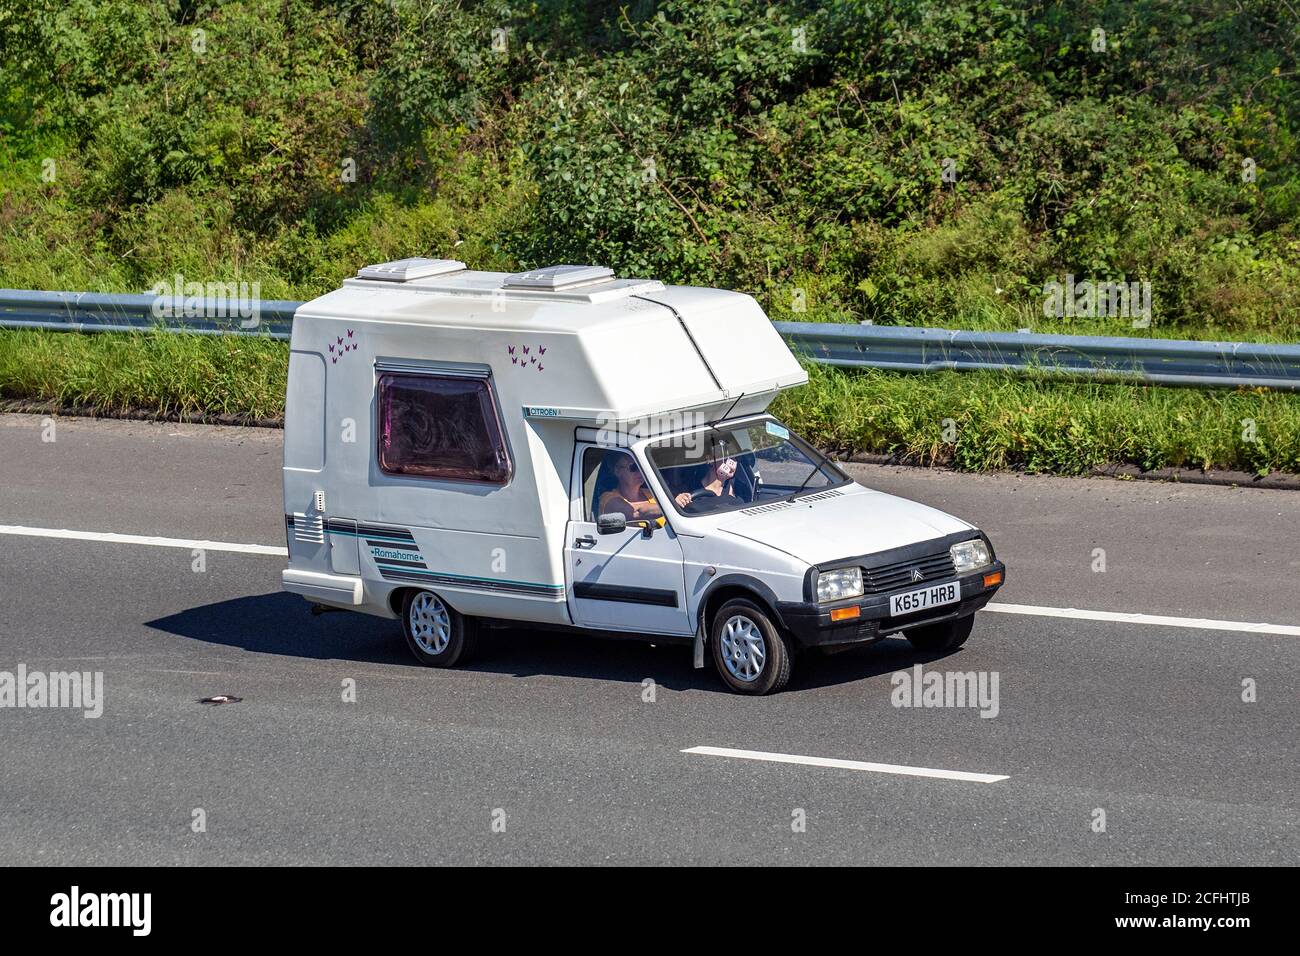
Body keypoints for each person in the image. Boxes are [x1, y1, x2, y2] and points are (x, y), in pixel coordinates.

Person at [597, 453, 690, 524]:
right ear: (617, 470)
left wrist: (682, 499)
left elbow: (675, 503)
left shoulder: (651, 492)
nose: (640, 471)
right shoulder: (608, 499)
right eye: (634, 467)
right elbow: (635, 512)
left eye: (641, 467)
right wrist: (672, 504)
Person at [679, 457, 744, 514]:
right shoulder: (689, 487)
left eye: (734, 457)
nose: (731, 462)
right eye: (726, 457)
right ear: (710, 459)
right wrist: (679, 501)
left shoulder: (739, 486)